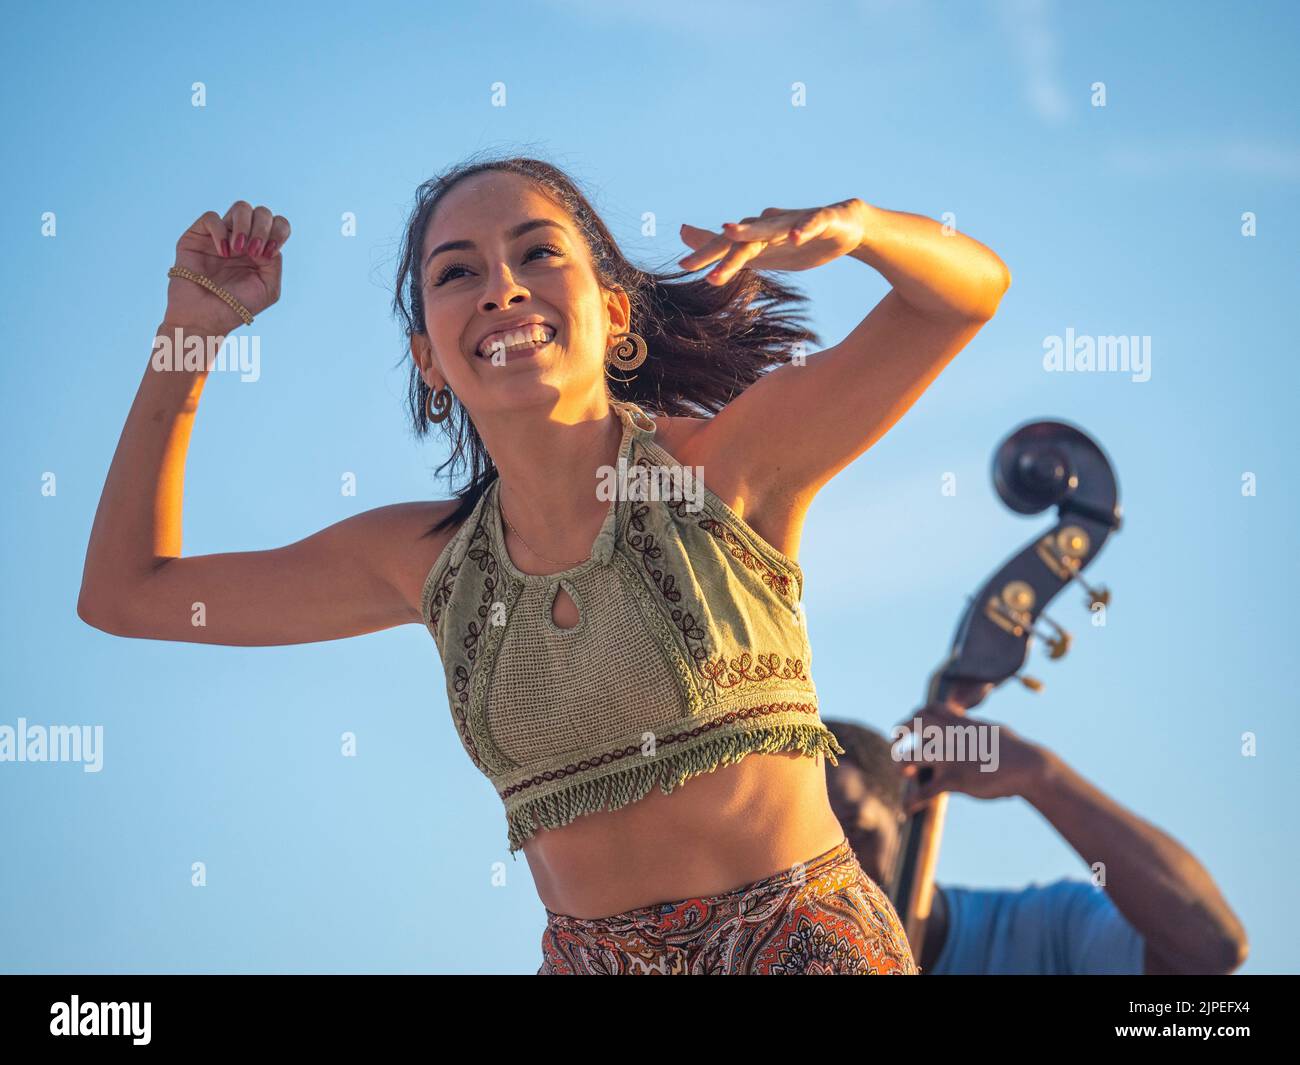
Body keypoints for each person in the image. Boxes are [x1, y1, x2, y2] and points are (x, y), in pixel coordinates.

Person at [77, 154, 1011, 974]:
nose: (503, 289)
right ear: (428, 359)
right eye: (457, 272)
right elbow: (128, 593)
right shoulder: (422, 565)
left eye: (537, 253)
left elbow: (965, 294)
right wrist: (191, 331)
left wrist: (857, 228)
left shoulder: (727, 471)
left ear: (612, 312)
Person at [823, 698, 1249, 974]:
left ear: (906, 813)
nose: (828, 866)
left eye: (854, 830)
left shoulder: (1046, 930)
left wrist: (1037, 774)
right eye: (810, 844)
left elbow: (1211, 950)